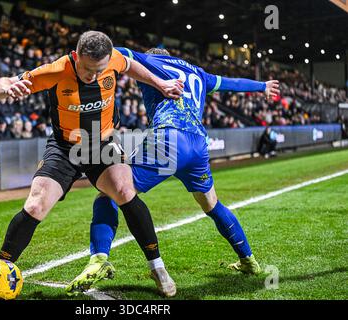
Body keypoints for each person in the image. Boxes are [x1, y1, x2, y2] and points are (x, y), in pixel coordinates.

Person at [66, 47, 280, 296]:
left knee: (110, 192)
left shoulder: (152, 61)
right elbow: (231, 83)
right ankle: (248, 260)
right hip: (198, 145)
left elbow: (113, 51)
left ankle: (98, 259)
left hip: (168, 138)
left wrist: (79, 58)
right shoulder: (198, 72)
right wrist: (262, 86)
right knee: (212, 204)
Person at [0, 31, 183, 295]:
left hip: (101, 145)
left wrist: (160, 83)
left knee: (126, 191)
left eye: (100, 69)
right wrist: (6, 89)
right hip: (64, 147)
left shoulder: (113, 59)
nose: (94, 76)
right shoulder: (56, 70)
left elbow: (132, 66)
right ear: (77, 56)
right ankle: (0, 271)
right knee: (36, 204)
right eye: (89, 70)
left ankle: (157, 267)